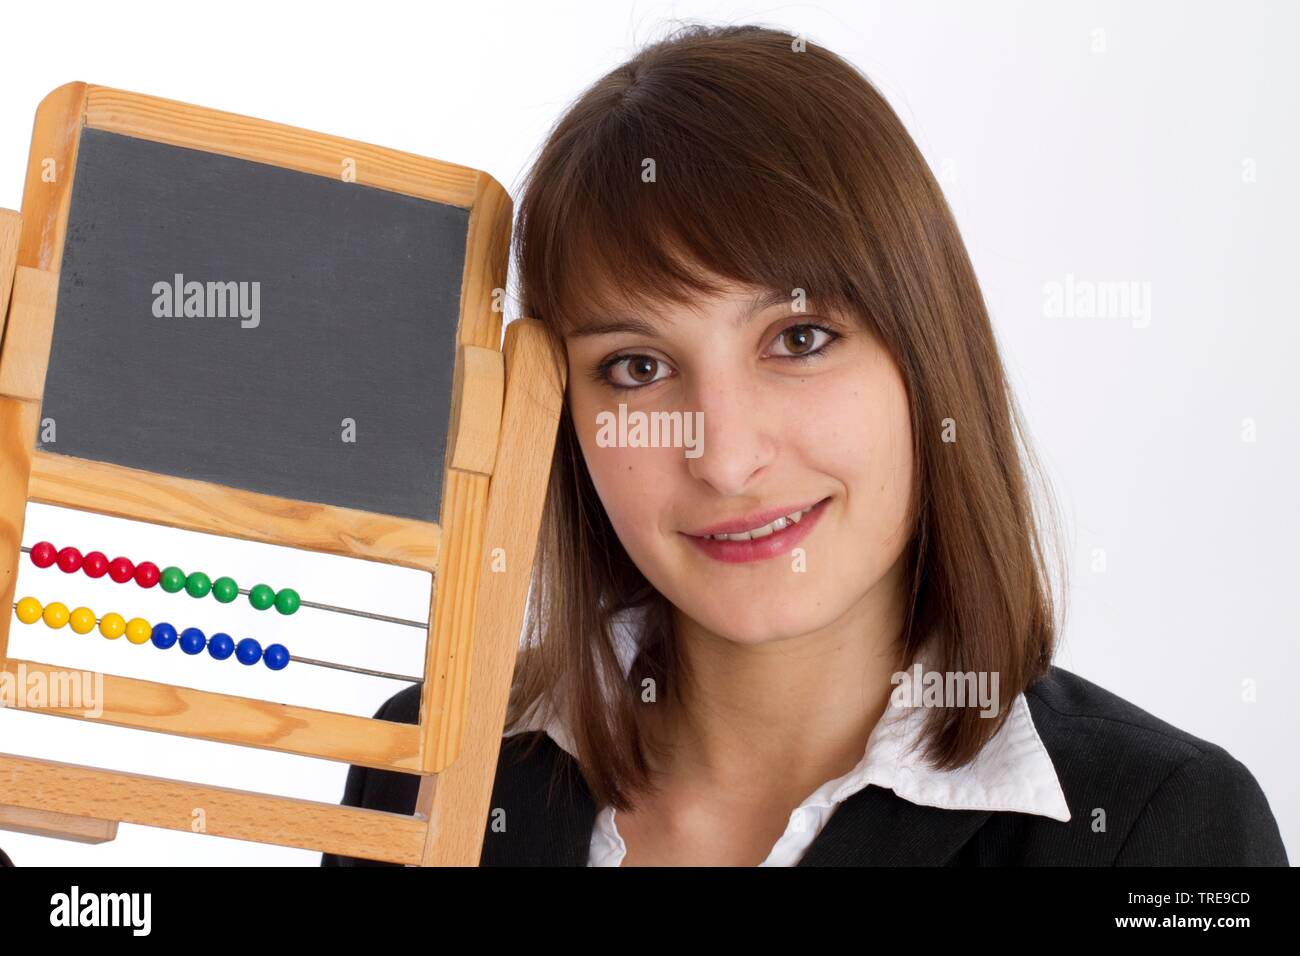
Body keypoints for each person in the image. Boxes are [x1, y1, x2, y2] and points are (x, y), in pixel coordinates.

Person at [322, 23, 1288, 867]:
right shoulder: (426, 769)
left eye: (799, 340)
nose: (725, 458)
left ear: (925, 352)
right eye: (635, 367)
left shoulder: (1158, 830)